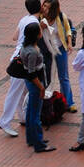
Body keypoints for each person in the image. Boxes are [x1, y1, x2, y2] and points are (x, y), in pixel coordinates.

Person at [0, 0, 43, 137]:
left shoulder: (24, 19)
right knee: (15, 91)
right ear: (40, 7)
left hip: (17, 56)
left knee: (22, 90)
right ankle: (5, 121)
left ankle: (22, 117)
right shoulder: (35, 22)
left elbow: (15, 37)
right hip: (23, 60)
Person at [17, 21, 56, 153]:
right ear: (37, 35)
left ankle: (31, 138)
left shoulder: (25, 47)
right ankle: (39, 144)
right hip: (35, 83)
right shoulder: (32, 52)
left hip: (31, 83)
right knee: (35, 115)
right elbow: (32, 72)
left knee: (30, 112)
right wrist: (41, 88)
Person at [43, 0, 76, 110]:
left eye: (48, 7)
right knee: (47, 77)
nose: (44, 8)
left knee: (64, 77)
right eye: (44, 5)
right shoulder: (40, 19)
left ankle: (69, 102)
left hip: (60, 49)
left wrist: (69, 43)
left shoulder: (61, 17)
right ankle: (47, 104)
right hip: (46, 51)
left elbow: (68, 29)